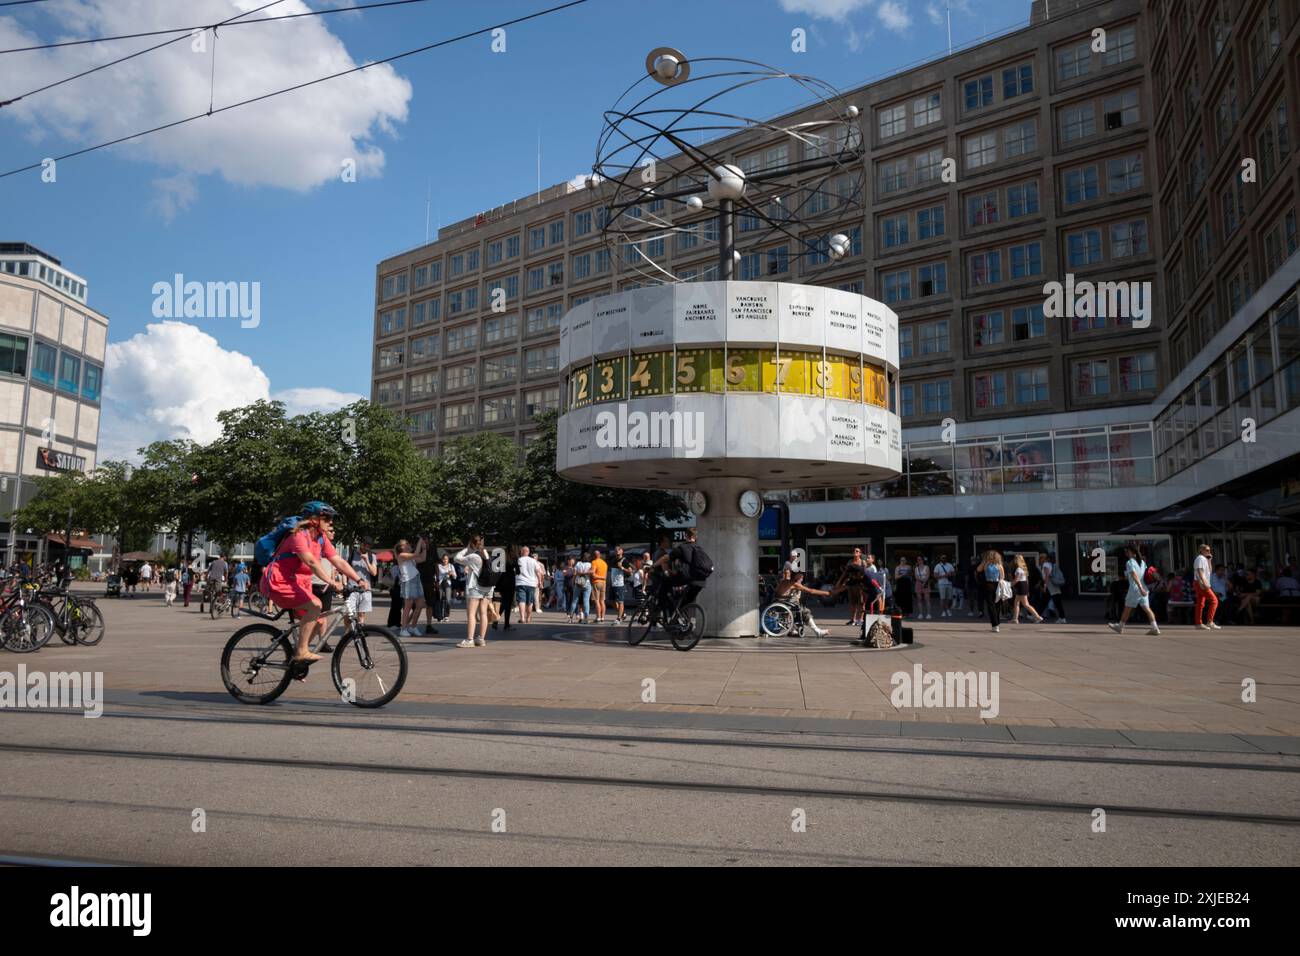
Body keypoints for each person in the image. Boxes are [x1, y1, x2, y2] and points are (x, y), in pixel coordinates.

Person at [261, 502, 370, 664]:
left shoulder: (321, 539)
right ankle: (301, 652)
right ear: (313, 519)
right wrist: (332, 582)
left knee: (319, 621)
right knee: (316, 605)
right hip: (279, 582)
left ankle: (296, 660)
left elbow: (338, 561)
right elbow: (311, 562)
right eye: (326, 518)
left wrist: (359, 579)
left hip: (298, 584)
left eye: (331, 518)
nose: (330, 522)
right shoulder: (298, 535)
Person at [651, 527, 706, 621]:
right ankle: (685, 623)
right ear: (695, 537)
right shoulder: (699, 548)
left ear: (686, 536)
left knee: (664, 587)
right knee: (685, 603)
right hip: (701, 581)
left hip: (686, 578)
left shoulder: (682, 548)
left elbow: (665, 558)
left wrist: (653, 566)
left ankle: (663, 615)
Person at [1108, 545, 1161, 636]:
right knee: (1147, 609)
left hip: (1135, 590)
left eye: (1128, 551)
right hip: (1144, 589)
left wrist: (1139, 587)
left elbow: (1134, 575)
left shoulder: (1130, 562)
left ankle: (1120, 627)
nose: (1126, 553)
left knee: (1127, 608)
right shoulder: (1142, 562)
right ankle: (1155, 628)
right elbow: (1141, 575)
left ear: (1133, 553)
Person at [454, 534, 493, 647]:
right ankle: (481, 638)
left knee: (471, 614)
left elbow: (457, 558)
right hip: (488, 587)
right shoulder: (486, 554)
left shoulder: (473, 556)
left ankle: (470, 640)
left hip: (476, 587)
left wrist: (466, 549)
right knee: (483, 613)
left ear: (471, 543)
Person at [775, 571, 831, 637]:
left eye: (802, 575)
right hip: (783, 604)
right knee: (804, 611)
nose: (802, 577)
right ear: (795, 575)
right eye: (800, 575)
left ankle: (792, 630)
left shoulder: (785, 581)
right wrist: (827, 593)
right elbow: (811, 591)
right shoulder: (793, 583)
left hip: (779, 603)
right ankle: (817, 631)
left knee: (797, 608)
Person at [394, 537, 428, 637]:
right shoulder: (401, 555)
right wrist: (420, 541)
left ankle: (413, 626)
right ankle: (403, 629)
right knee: (408, 606)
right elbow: (416, 554)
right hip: (408, 581)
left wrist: (424, 548)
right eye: (406, 544)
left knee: (420, 604)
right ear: (401, 547)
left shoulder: (409, 556)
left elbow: (422, 559)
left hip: (416, 579)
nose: (408, 545)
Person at [348, 536, 379, 628]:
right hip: (352, 588)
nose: (366, 547)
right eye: (365, 545)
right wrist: (344, 583)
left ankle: (359, 632)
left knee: (361, 614)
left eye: (369, 546)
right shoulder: (352, 554)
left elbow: (374, 573)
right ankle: (347, 632)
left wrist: (366, 561)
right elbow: (346, 569)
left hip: (365, 589)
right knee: (349, 614)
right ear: (361, 544)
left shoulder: (372, 556)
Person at [834, 548, 868, 626]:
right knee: (852, 603)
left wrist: (866, 584)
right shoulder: (850, 562)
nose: (855, 552)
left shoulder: (863, 562)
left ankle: (860, 620)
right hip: (851, 584)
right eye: (854, 551)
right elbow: (845, 573)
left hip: (860, 585)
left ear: (860, 553)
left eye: (857, 551)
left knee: (861, 603)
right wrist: (839, 582)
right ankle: (853, 620)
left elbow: (866, 573)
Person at [1009, 554, 1043, 624]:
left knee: (1025, 604)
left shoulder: (1018, 569)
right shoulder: (1023, 569)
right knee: (1017, 603)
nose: (1014, 560)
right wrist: (1027, 590)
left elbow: (1016, 580)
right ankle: (1015, 619)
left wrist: (1009, 585)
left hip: (1021, 586)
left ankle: (1037, 617)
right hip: (1023, 586)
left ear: (1017, 560)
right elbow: (1026, 580)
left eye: (1015, 559)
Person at [976, 550, 1004, 633]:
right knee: (997, 605)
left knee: (991, 605)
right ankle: (997, 623)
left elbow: (978, 570)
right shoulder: (999, 565)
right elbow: (1002, 577)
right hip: (997, 585)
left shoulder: (986, 564)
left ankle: (995, 625)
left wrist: (984, 561)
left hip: (988, 585)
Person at [514, 546, 541, 624]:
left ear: (521, 552)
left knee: (521, 600)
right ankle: (528, 618)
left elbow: (514, 571)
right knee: (530, 601)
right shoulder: (533, 561)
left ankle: (522, 618)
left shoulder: (518, 560)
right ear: (528, 552)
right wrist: (540, 581)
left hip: (520, 582)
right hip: (531, 583)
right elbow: (538, 572)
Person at [493, 545, 518, 631]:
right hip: (510, 583)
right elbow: (518, 571)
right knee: (508, 604)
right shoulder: (514, 558)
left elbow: (495, 569)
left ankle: (496, 620)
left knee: (501, 602)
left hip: (500, 583)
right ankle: (506, 624)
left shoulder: (500, 557)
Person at [1038, 552, 1067, 623]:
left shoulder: (1045, 565)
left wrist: (1045, 585)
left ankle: (1037, 616)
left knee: (1054, 602)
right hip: (1053, 585)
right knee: (1048, 601)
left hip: (1050, 585)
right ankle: (1037, 616)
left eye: (1040, 558)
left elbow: (1047, 576)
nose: (1039, 560)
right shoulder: (1050, 564)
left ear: (1043, 559)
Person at [570, 551, 593, 624]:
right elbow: (592, 573)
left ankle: (570, 618)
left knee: (574, 601)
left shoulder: (578, 564)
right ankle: (586, 618)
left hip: (578, 584)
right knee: (586, 601)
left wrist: (573, 582)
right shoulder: (590, 564)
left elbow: (574, 574)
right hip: (587, 583)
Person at [608, 546, 629, 623]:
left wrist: (622, 568)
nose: (617, 551)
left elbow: (630, 571)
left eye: (618, 550)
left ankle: (619, 618)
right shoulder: (613, 560)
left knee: (620, 601)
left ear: (622, 551)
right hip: (613, 584)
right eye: (615, 550)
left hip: (620, 584)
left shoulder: (624, 560)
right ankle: (623, 614)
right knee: (611, 601)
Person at [436, 552, 457, 621]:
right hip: (440, 583)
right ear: (442, 559)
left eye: (446, 559)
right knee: (440, 599)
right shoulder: (439, 566)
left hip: (447, 583)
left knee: (448, 600)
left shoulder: (451, 566)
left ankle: (446, 615)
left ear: (448, 560)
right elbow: (438, 574)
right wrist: (447, 572)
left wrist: (452, 574)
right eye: (444, 559)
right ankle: (439, 615)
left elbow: (455, 577)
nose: (445, 560)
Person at [933, 553, 955, 618]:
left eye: (945, 558)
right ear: (940, 559)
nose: (944, 559)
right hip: (941, 584)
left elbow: (954, 573)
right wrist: (944, 575)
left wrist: (950, 574)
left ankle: (948, 609)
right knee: (942, 598)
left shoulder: (950, 565)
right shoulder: (937, 566)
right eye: (942, 558)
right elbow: (935, 576)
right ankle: (943, 611)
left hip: (949, 583)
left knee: (950, 599)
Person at [590, 548, 609, 623]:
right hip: (603, 583)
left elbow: (593, 574)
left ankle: (598, 617)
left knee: (597, 601)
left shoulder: (594, 562)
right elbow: (605, 576)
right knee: (602, 601)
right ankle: (602, 617)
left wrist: (599, 577)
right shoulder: (604, 563)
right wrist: (603, 578)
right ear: (599, 555)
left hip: (596, 582)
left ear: (594, 556)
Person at [914, 555, 932, 619]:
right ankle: (920, 613)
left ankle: (928, 614)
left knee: (927, 599)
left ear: (923, 560)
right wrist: (921, 580)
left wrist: (924, 581)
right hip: (918, 583)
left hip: (926, 583)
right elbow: (916, 576)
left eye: (920, 559)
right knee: (919, 599)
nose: (919, 561)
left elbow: (928, 575)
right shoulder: (916, 568)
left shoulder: (926, 567)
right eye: (918, 559)